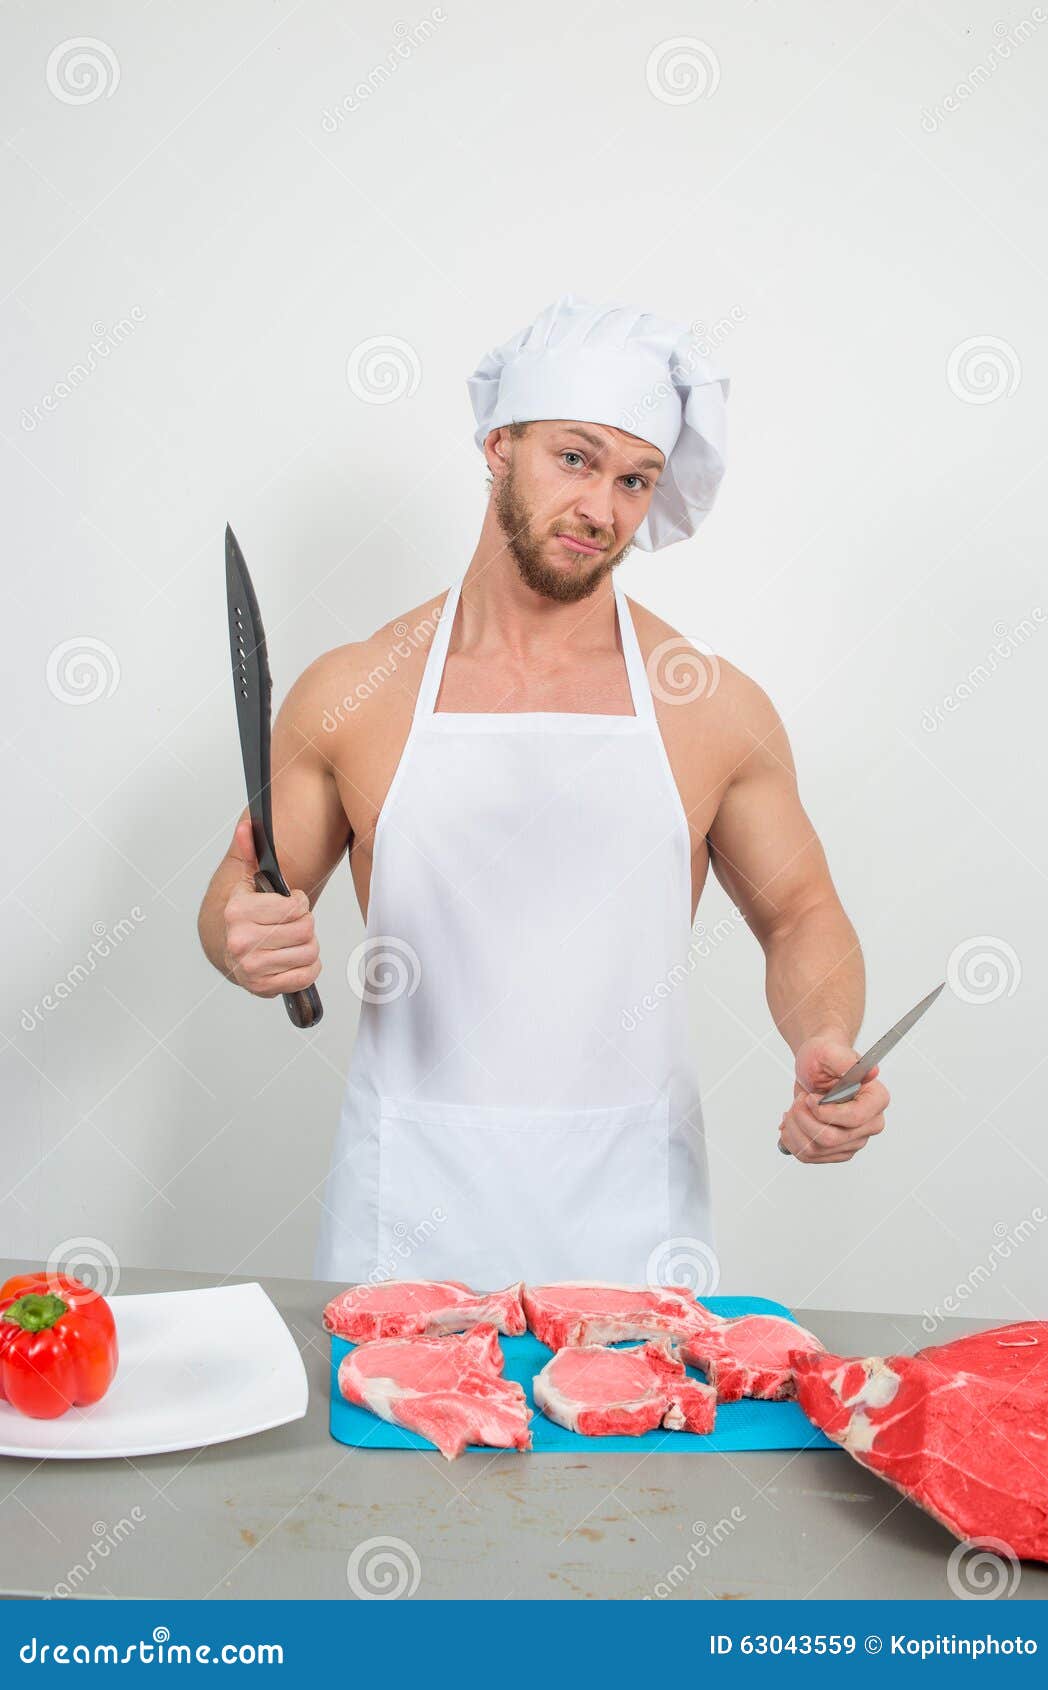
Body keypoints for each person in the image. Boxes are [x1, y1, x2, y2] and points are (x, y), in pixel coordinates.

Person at [197, 294, 888, 1286]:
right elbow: (243, 885)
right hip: (405, 1220)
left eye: (634, 478)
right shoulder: (353, 692)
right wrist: (240, 933)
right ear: (497, 444)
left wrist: (825, 1037)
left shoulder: (706, 705)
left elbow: (800, 912)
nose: (601, 509)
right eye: (573, 458)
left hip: (630, 1226)